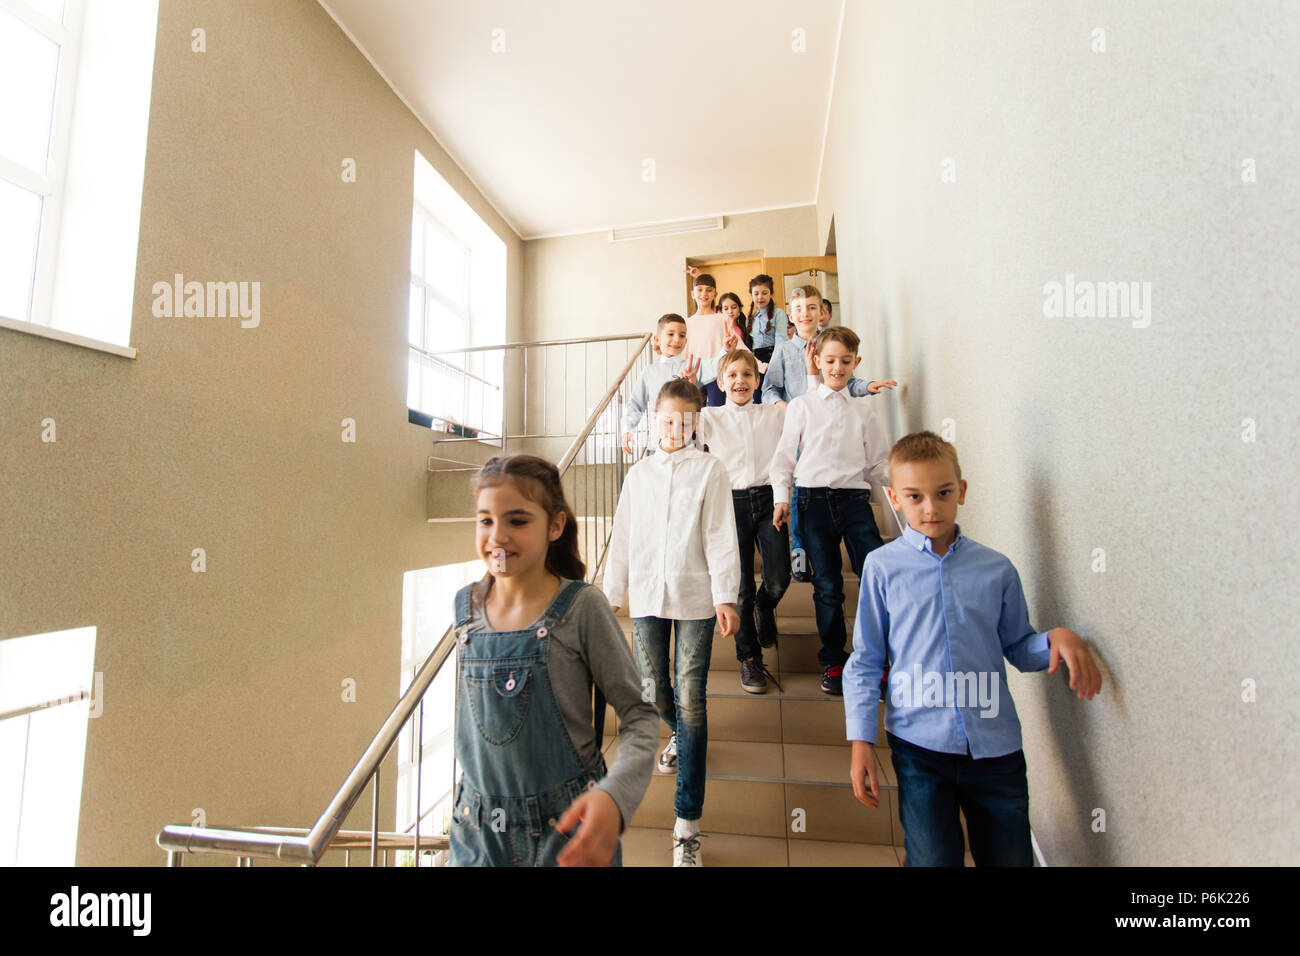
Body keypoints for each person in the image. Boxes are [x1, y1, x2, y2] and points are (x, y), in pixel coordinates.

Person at [844, 431, 1103, 866]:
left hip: (996, 751)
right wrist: (860, 741)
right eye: (915, 496)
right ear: (893, 497)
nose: (930, 507)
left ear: (960, 491)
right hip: (918, 747)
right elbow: (866, 660)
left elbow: (1019, 647)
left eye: (942, 493)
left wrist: (1055, 640)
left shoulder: (996, 569)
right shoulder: (882, 568)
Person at [449, 455, 659, 867]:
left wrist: (613, 798)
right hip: (475, 837)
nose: (498, 536)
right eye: (486, 520)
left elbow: (640, 715)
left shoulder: (582, 607)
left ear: (555, 525)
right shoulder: (464, 606)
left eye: (518, 521)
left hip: (564, 832)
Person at [604, 378, 742, 866]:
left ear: (695, 423)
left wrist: (727, 596)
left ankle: (687, 826)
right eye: (666, 419)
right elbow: (622, 535)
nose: (674, 428)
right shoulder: (638, 475)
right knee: (651, 686)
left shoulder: (710, 470)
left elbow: (722, 535)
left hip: (697, 597)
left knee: (691, 696)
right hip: (645, 595)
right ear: (654, 419)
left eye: (684, 421)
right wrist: (611, 591)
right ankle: (679, 733)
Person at [770, 325, 891, 695]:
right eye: (830, 360)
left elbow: (878, 467)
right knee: (827, 587)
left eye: (845, 361)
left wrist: (908, 485)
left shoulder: (865, 415)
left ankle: (878, 660)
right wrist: (781, 498)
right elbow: (783, 458)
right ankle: (834, 662)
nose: (837, 367)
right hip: (811, 502)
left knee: (876, 579)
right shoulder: (802, 407)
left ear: (856, 362)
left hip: (855, 502)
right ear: (817, 362)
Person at [694, 349, 817, 692]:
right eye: (731, 375)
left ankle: (767, 606)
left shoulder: (773, 416)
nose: (739, 381)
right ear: (720, 383)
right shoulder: (709, 417)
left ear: (757, 381)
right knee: (742, 588)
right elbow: (677, 423)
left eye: (746, 375)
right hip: (728, 504)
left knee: (778, 577)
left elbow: (790, 449)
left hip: (768, 502)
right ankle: (750, 660)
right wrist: (688, 385)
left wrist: (783, 497)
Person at [762, 286, 898, 583]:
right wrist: (782, 405)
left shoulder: (832, 345)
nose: (806, 314)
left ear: (821, 312)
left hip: (829, 417)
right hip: (798, 418)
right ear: (790, 315)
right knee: (802, 481)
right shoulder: (784, 349)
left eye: (812, 307)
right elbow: (770, 387)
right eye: (799, 309)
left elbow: (848, 383)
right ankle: (799, 547)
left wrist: (869, 386)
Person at [621, 314, 736, 456]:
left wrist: (725, 350)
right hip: (657, 447)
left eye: (682, 335)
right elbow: (635, 404)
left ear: (686, 341)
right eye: (670, 334)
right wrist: (627, 429)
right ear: (657, 340)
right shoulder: (649, 372)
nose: (677, 339)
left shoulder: (692, 366)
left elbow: (715, 366)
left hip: (688, 447)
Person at [684, 272, 732, 408]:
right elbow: (683, 351)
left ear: (715, 294)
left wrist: (761, 366)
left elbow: (738, 345)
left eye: (709, 290)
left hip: (717, 374)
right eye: (699, 290)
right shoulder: (687, 323)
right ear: (692, 293)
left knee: (718, 414)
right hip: (693, 375)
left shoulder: (723, 319)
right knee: (692, 414)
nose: (704, 294)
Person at [747, 274, 788, 371]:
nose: (760, 297)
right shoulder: (750, 318)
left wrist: (774, 364)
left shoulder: (779, 314)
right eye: (756, 294)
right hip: (756, 363)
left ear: (771, 294)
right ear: (751, 295)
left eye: (764, 293)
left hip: (773, 359)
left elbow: (780, 340)